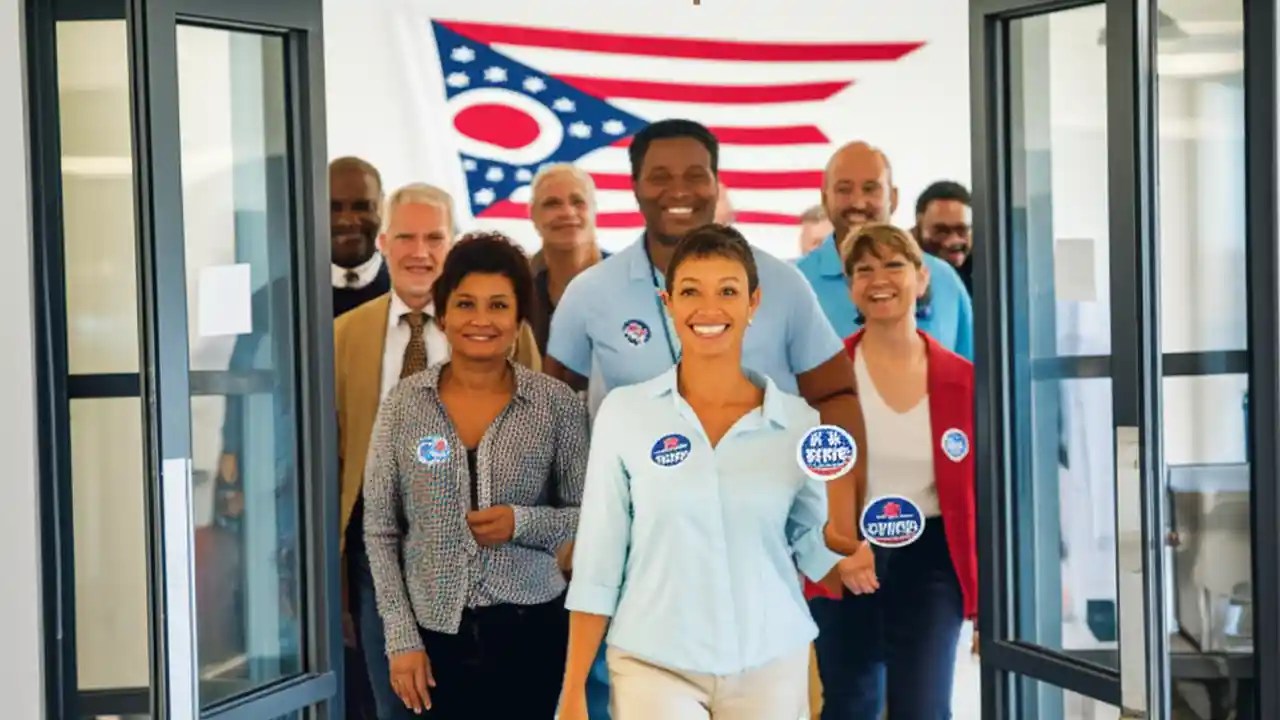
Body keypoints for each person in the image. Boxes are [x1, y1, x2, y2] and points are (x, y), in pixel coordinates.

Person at [544, 119, 868, 717]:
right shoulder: (605, 349)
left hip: (770, 649)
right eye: (691, 292)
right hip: (653, 646)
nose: (709, 309)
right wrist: (569, 688)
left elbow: (817, 536)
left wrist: (847, 531)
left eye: (695, 174)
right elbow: (558, 437)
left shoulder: (795, 419)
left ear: (754, 302)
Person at [333, 183, 543, 719]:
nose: (420, 252)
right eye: (406, 236)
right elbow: (330, 452)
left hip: (486, 555)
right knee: (398, 705)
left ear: (454, 244)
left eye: (434, 237)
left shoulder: (501, 327)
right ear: (384, 241)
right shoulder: (345, 335)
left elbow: (538, 438)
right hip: (381, 552)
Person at [363, 231, 589, 719]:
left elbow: (589, 518)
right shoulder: (405, 404)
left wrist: (522, 523)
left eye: (498, 305)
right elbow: (380, 529)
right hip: (431, 638)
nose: (481, 320)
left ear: (518, 318)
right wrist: (401, 639)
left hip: (533, 633)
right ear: (443, 314)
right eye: (465, 303)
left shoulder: (556, 406)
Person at [808, 223, 978, 719]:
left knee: (923, 707)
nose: (878, 279)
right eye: (863, 269)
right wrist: (840, 544)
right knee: (849, 702)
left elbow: (982, 495)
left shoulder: (963, 381)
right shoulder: (825, 376)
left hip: (931, 560)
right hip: (846, 549)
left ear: (922, 279)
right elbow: (807, 480)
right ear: (851, 288)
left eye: (893, 265)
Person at [796, 141, 973, 359]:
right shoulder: (793, 284)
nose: (858, 203)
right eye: (844, 189)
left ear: (894, 198)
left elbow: (973, 381)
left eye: (871, 189)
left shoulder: (944, 280)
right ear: (824, 199)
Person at [914, 180, 973, 295]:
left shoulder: (990, 266)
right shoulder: (901, 263)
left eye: (962, 230)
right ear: (918, 226)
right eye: (941, 231)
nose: (953, 241)